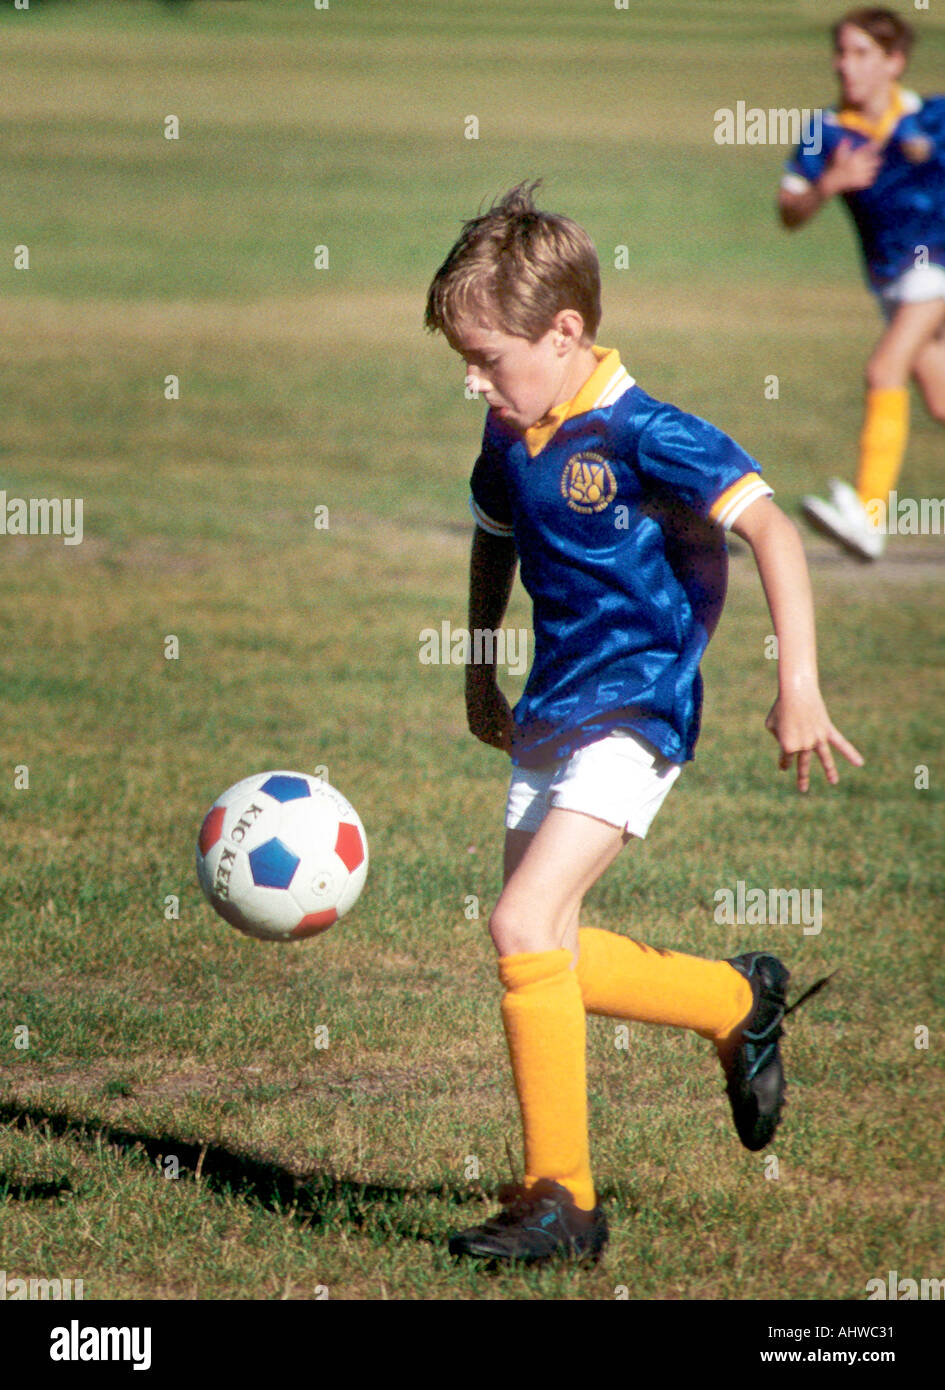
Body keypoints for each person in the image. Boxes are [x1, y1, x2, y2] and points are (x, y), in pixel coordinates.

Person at [424, 182, 862, 1265]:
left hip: (640, 707)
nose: (474, 381)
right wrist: (482, 667)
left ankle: (562, 1203)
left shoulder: (647, 432)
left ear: (566, 332)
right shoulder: (511, 425)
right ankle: (733, 999)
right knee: (552, 943)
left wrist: (796, 680)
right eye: (464, 362)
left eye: (488, 357)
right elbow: (494, 535)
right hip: (553, 707)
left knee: (521, 925)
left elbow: (774, 531)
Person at [780, 7, 945, 560]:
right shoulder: (826, 133)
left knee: (884, 369)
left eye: (859, 53)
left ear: (894, 62)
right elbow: (789, 212)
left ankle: (870, 516)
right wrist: (829, 183)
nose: (843, 65)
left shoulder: (934, 119)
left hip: (937, 270)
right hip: (892, 285)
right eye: (840, 52)